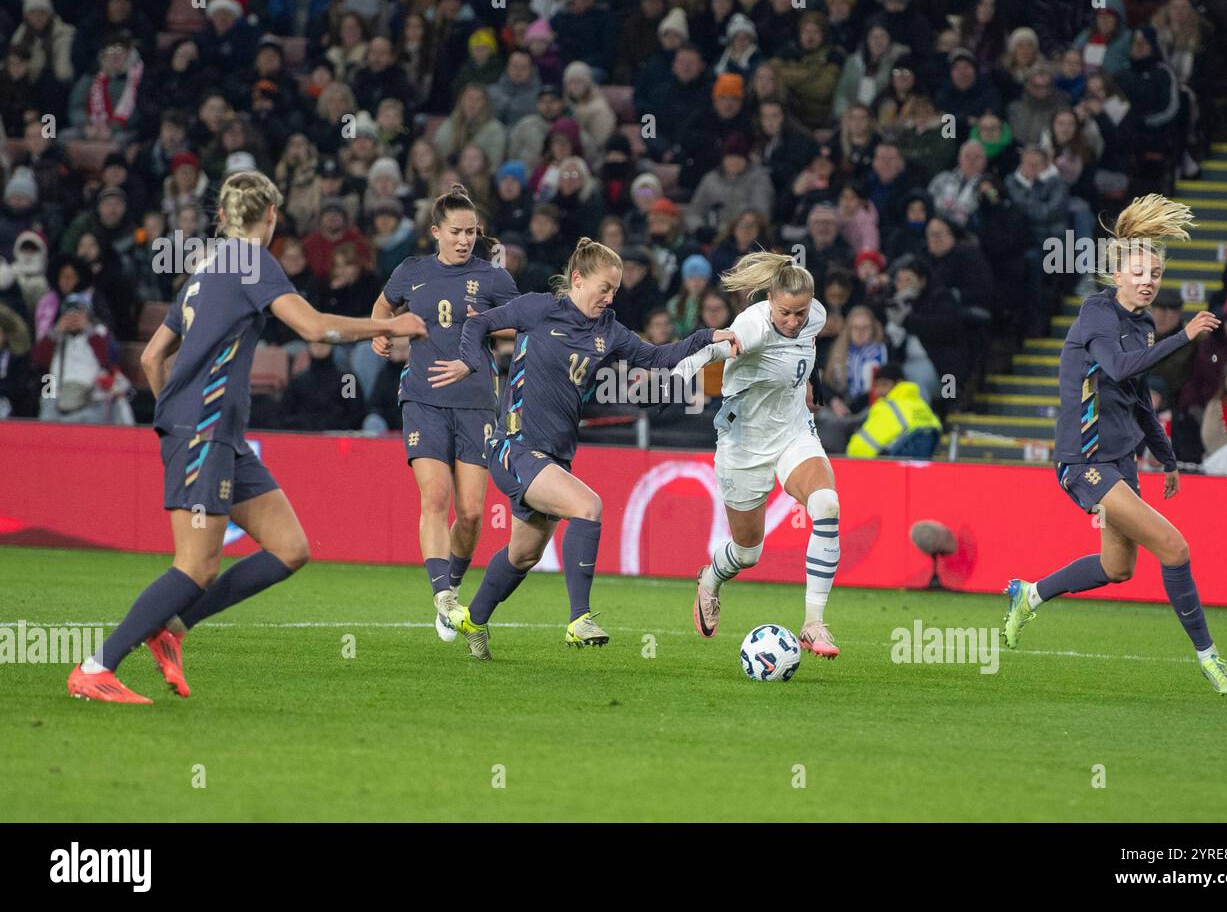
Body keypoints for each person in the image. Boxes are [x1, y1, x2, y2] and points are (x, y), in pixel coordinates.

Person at [66, 171, 427, 704]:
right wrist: (390, 327)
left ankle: (173, 628)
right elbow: (314, 328)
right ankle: (95, 667)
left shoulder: (204, 271)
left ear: (221, 216)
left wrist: (172, 418)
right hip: (205, 430)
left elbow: (152, 357)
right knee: (196, 565)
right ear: (272, 216)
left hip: (216, 434)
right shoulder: (252, 261)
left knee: (289, 548)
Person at [428, 237, 735, 659]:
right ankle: (579, 620)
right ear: (577, 279)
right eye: (604, 289)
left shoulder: (609, 331)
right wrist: (470, 361)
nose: (609, 298)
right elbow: (477, 324)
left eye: (615, 291)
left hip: (554, 457)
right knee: (588, 506)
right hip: (514, 447)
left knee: (523, 554)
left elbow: (657, 358)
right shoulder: (538, 308)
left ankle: (473, 620)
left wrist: (706, 338)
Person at [1002, 194, 1227, 696]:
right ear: (1118, 276)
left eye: (1155, 272)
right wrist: (1185, 336)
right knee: (1174, 548)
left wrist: (1168, 457)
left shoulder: (1144, 325)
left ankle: (1030, 594)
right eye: (1139, 272)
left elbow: (1137, 400)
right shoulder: (1098, 312)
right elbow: (1116, 367)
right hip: (1083, 460)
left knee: (1117, 568)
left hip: (1121, 461)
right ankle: (1211, 659)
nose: (1148, 280)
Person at [670, 252, 843, 658]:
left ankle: (813, 623)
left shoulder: (815, 316)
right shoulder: (754, 325)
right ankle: (711, 579)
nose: (794, 320)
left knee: (827, 504)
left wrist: (813, 376)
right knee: (748, 552)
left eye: (800, 312)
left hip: (793, 431)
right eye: (785, 312)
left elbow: (804, 346)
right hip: (744, 443)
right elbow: (713, 351)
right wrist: (675, 376)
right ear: (769, 300)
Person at [369, 184, 519, 639]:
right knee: (434, 497)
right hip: (423, 399)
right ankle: (442, 597)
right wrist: (381, 331)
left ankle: (451, 584)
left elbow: (519, 327)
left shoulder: (493, 279)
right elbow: (383, 305)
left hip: (476, 402)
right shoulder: (412, 271)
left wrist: (486, 325)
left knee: (470, 513)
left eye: (471, 232)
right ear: (436, 231)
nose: (464, 240)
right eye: (456, 232)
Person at [845, 362, 941, 459]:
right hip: (923, 464)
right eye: (876, 385)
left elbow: (858, 449)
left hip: (893, 464)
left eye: (884, 384)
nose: (879, 391)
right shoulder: (921, 404)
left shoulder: (887, 407)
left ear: (898, 383)